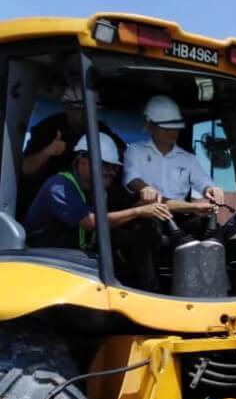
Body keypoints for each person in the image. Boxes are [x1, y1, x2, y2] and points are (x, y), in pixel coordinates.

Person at [24, 133, 171, 291]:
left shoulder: (100, 189)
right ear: (83, 161)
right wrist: (138, 211)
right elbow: (90, 222)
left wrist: (144, 204)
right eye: (105, 166)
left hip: (76, 261)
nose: (112, 172)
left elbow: (127, 208)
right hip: (46, 263)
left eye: (114, 168)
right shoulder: (60, 186)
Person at [124, 95, 225, 235]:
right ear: (151, 125)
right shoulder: (135, 150)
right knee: (149, 229)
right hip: (150, 214)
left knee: (210, 227)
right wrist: (144, 188)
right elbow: (131, 179)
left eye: (175, 128)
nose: (173, 132)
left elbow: (203, 181)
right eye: (167, 128)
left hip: (181, 217)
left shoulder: (188, 159)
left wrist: (212, 189)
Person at [18, 85, 120, 218]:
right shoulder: (48, 128)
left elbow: (121, 153)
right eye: (80, 109)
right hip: (45, 198)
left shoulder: (100, 129)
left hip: (85, 197)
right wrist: (49, 151)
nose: (86, 114)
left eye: (91, 109)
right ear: (67, 107)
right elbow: (27, 169)